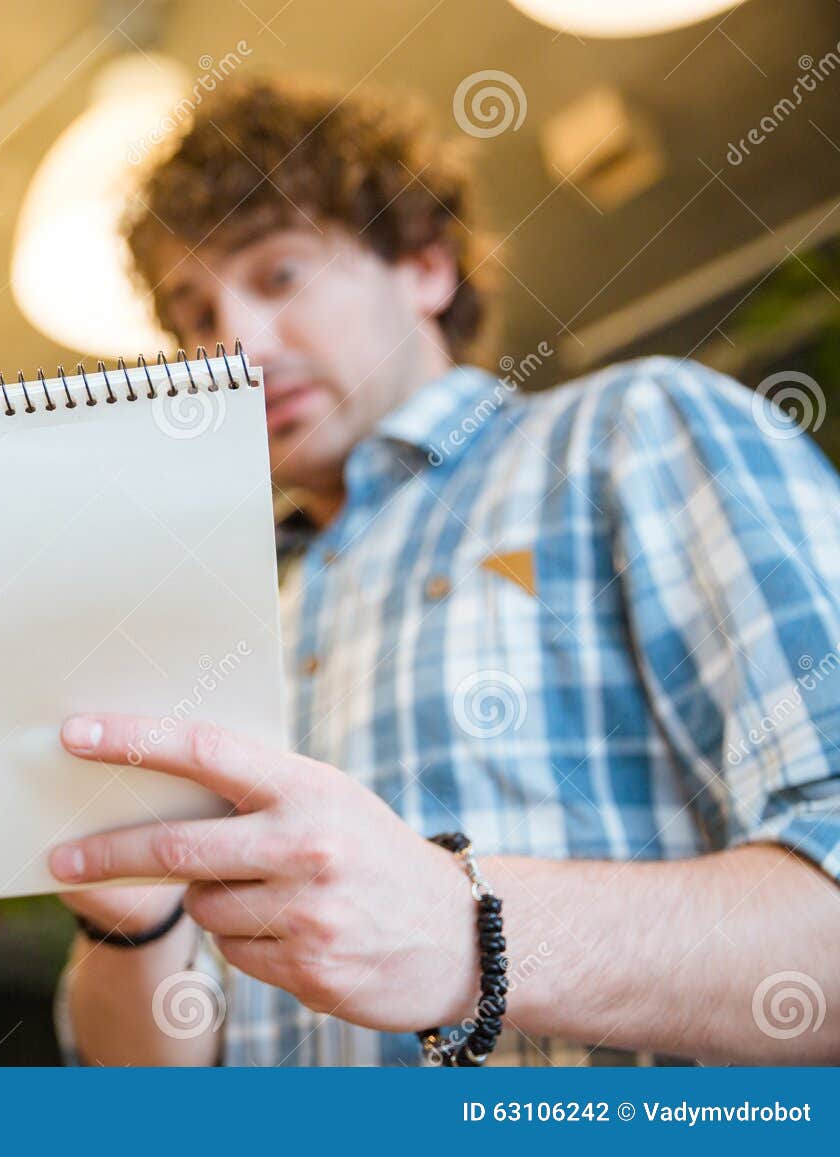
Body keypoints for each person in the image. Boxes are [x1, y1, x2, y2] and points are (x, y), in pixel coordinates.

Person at [50, 78, 840, 1066]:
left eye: (280, 274)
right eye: (196, 312)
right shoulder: (229, 622)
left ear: (424, 266)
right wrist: (132, 922)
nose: (236, 347)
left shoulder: (633, 432)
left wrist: (463, 928)